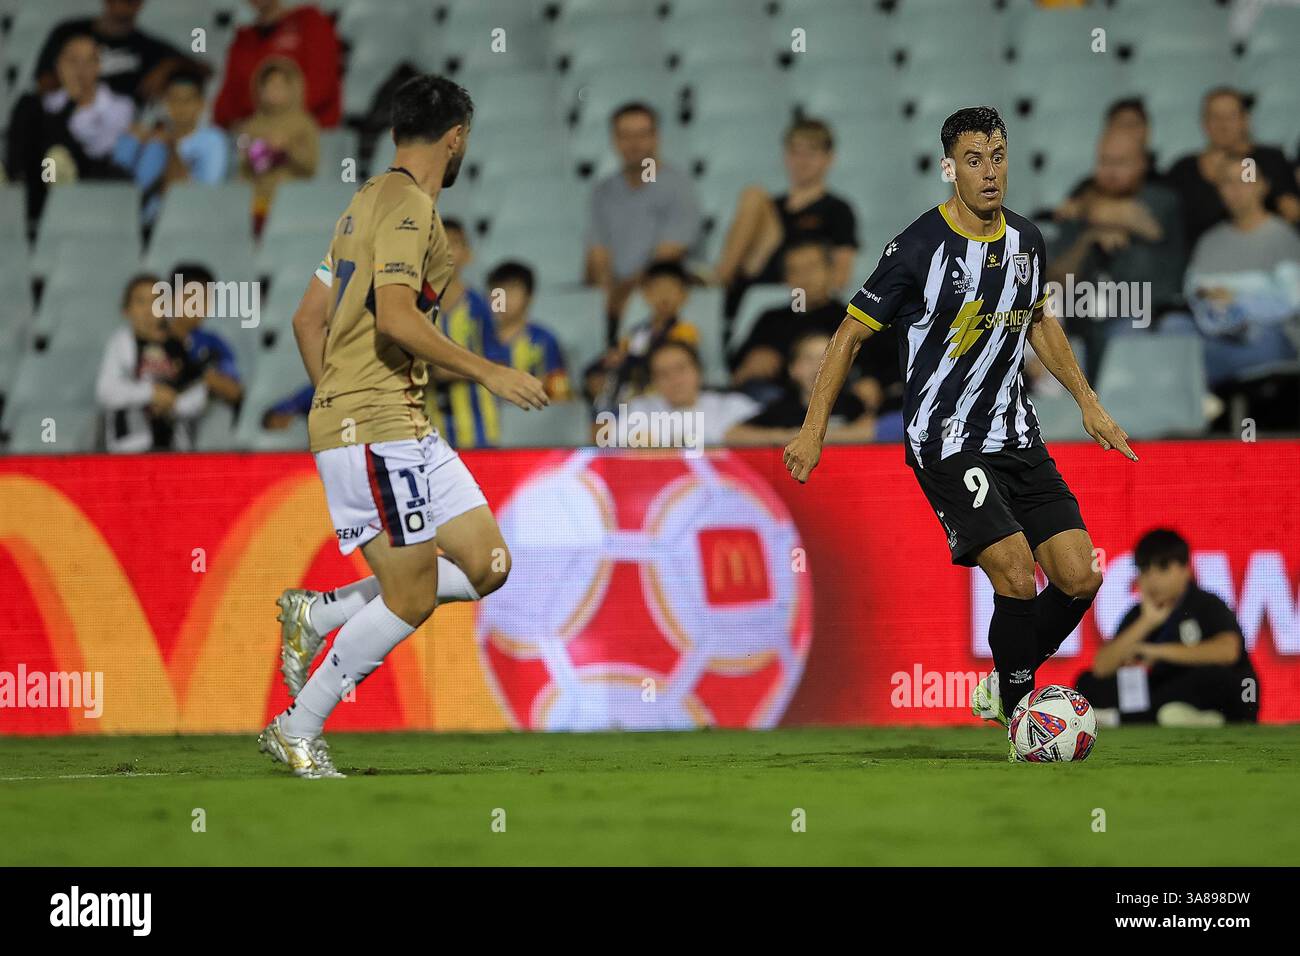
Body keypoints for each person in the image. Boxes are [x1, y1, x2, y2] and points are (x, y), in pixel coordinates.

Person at [782, 107, 1136, 761]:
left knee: (1081, 575)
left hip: (1018, 438)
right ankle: (1020, 718)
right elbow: (849, 335)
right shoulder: (918, 248)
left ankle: (1007, 683)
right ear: (950, 168)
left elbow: (1040, 322)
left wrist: (1089, 403)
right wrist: (813, 430)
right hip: (947, 441)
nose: (989, 170)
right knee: (1013, 570)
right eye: (974, 159)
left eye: (997, 155)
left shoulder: (1027, 241)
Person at [259, 75, 548, 779]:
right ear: (457, 139)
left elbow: (307, 318)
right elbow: (395, 316)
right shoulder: (415, 211)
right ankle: (298, 729)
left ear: (397, 135)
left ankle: (318, 616)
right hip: (377, 427)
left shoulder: (361, 205)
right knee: (413, 595)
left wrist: (334, 394)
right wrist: (487, 371)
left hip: (401, 423)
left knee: (489, 565)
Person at [1077, 529, 1259, 727]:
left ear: (1185, 569)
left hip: (1217, 693)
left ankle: (1129, 717)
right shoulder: (1138, 614)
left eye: (1163, 567)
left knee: (1216, 677)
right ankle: (1182, 717)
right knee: (1086, 682)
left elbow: (1228, 652)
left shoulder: (1206, 603)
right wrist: (1147, 622)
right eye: (1145, 570)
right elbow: (1101, 667)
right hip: (1164, 697)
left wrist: (1155, 652)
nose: (1153, 579)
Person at [1049, 127, 1185, 377]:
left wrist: (1085, 207)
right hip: (1084, 326)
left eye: (1120, 162)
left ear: (1142, 164)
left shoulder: (1161, 199)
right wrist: (1088, 238)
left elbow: (1133, 217)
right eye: (1104, 161)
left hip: (1150, 320)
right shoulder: (1079, 213)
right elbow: (1055, 277)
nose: (1110, 171)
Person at [1158, 151, 1300, 389]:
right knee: (1173, 327)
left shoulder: (1282, 236)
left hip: (1265, 335)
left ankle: (1195, 390)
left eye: (1244, 179)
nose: (1235, 189)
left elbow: (1292, 301)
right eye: (1227, 182)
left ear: (1262, 186)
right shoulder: (1209, 242)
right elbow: (1193, 294)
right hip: (1213, 331)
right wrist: (1210, 302)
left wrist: (1238, 301)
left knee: (1261, 339)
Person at [713, 118, 859, 307]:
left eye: (811, 152)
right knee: (753, 195)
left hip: (801, 296)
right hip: (757, 292)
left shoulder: (837, 210)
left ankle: (717, 284)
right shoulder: (769, 207)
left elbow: (841, 277)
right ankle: (718, 282)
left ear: (829, 158)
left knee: (754, 196)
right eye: (795, 152)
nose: (802, 161)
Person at [585, 102, 702, 337]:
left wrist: (624, 293)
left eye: (641, 134)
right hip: (616, 294)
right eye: (625, 135)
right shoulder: (603, 191)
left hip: (662, 289)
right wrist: (607, 293)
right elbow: (598, 255)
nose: (634, 143)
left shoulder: (677, 186)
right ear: (614, 140)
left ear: (656, 138)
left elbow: (668, 255)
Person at [433, 258, 572, 448]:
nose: (502, 299)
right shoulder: (477, 334)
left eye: (512, 291)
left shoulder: (543, 341)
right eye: (497, 292)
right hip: (474, 433)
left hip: (528, 437)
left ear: (529, 296)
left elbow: (560, 394)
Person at [6, 32, 134, 227]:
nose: (80, 70)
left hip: (91, 178)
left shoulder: (119, 105)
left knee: (56, 156)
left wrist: (72, 103)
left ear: (99, 66)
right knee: (31, 114)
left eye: (88, 61)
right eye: (73, 61)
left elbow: (100, 151)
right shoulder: (43, 105)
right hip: (41, 177)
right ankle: (13, 184)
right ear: (59, 66)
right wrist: (70, 103)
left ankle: (44, 190)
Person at [1166, 87, 1300, 248]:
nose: (1222, 124)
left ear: (1245, 120)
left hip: (1261, 254)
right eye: (1214, 117)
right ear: (1204, 122)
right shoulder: (1184, 169)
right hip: (1201, 259)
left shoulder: (1267, 160)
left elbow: (1291, 211)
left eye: (1230, 116)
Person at [95, 273, 208, 452]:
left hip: (175, 450)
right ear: (126, 310)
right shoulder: (120, 343)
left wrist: (173, 404)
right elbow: (106, 391)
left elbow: (198, 394)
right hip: (128, 450)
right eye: (140, 302)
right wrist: (151, 394)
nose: (149, 310)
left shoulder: (179, 345)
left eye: (156, 301)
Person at [33, 0, 210, 106]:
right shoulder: (70, 32)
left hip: (122, 130)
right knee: (27, 107)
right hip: (66, 119)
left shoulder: (150, 47)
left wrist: (170, 65)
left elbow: (205, 69)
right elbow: (44, 80)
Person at [729, 239, 847, 393]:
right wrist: (751, 362)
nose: (804, 277)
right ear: (785, 279)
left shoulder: (848, 320)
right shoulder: (771, 318)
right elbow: (736, 366)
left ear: (830, 271)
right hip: (769, 400)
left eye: (811, 267)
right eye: (794, 270)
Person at [113, 69, 228, 224]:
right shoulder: (156, 137)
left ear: (201, 104)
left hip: (190, 222)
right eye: (173, 99)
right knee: (130, 142)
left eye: (187, 100)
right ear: (165, 103)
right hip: (145, 221)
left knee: (156, 149)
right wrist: (138, 144)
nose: (180, 107)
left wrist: (170, 147)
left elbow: (200, 197)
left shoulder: (212, 140)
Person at [588, 259, 699, 413]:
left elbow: (667, 362)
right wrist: (607, 362)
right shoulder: (637, 332)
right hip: (629, 391)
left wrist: (627, 357)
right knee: (595, 380)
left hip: (658, 393)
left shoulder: (685, 331)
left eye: (671, 289)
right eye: (658, 289)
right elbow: (616, 354)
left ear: (684, 296)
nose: (664, 296)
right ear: (646, 294)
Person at [726, 332, 875, 446]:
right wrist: (789, 437)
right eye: (809, 358)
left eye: (828, 358)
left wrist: (810, 438)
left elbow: (873, 430)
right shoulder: (781, 407)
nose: (819, 367)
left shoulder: (851, 403)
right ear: (793, 369)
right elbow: (733, 434)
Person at [213, 0, 342, 130]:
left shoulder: (309, 21)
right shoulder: (243, 40)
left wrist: (273, 120)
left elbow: (322, 85)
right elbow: (228, 101)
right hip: (254, 135)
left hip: (308, 134)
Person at [236, 59, 319, 234]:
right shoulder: (251, 126)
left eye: (280, 86)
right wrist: (257, 150)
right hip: (256, 204)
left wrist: (288, 148)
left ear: (293, 88)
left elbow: (310, 166)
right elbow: (242, 167)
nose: (274, 92)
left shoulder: (304, 124)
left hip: (293, 202)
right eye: (269, 86)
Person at [624, 341, 758, 448]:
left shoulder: (733, 405)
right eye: (663, 374)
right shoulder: (641, 407)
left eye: (681, 369)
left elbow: (771, 436)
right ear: (653, 382)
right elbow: (614, 436)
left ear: (698, 370)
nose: (674, 380)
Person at [165, 263, 244, 410]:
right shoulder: (154, 338)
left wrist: (203, 377)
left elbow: (235, 392)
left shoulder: (215, 344)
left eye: (205, 298)